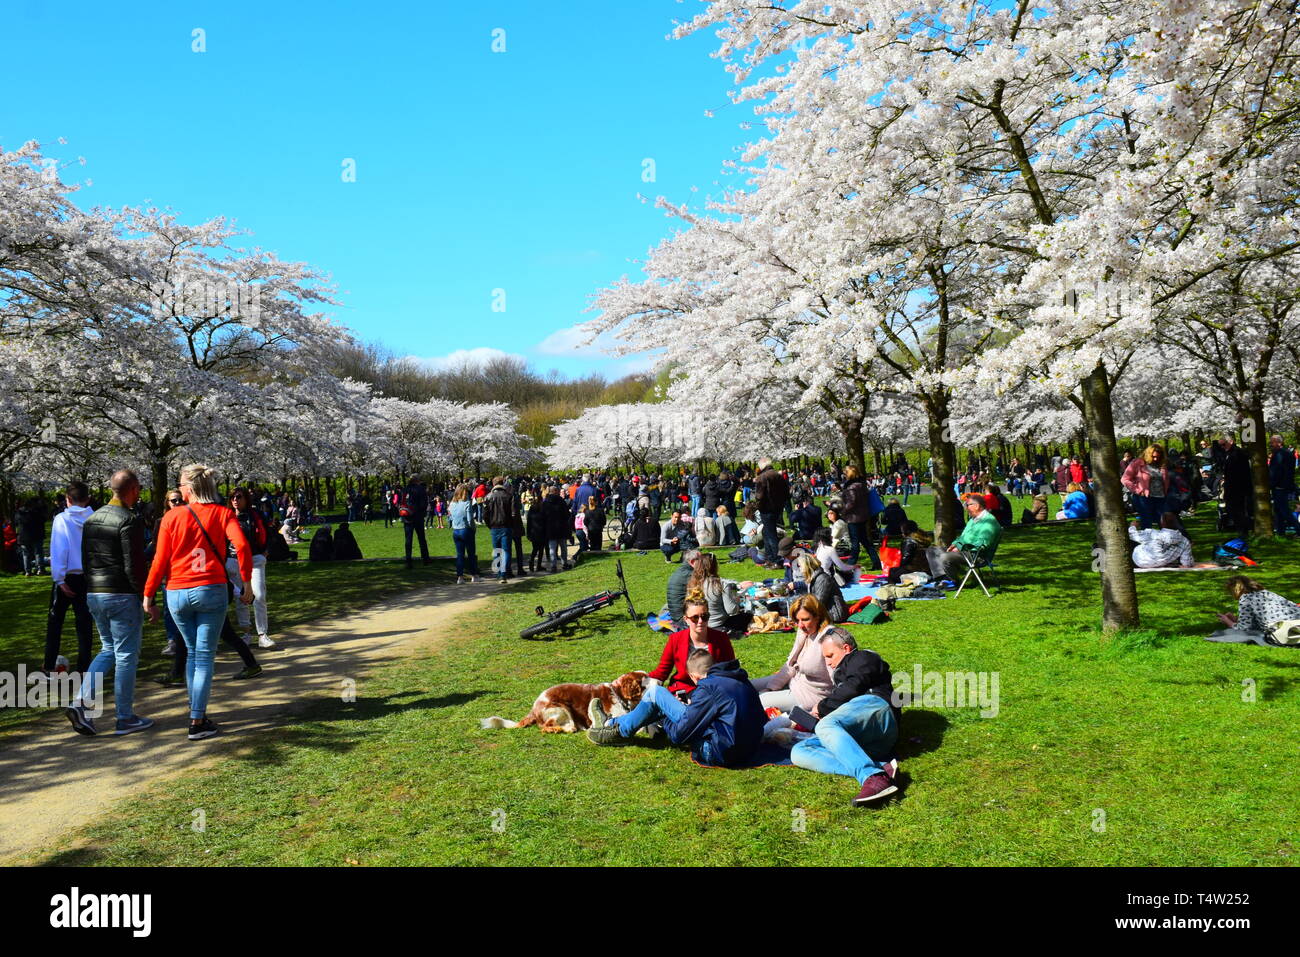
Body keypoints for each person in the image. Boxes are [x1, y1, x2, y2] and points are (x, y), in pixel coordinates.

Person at [143, 463, 254, 741]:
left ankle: (198, 714)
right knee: (203, 656)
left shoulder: (171, 517)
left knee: (193, 652)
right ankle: (197, 719)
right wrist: (247, 584)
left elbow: (160, 559)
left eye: (181, 485)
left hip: (177, 591)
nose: (179, 490)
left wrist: (148, 594)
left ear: (190, 489)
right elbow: (241, 546)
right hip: (210, 588)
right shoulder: (223, 513)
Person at [64, 469, 153, 737]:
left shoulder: (92, 518)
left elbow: (85, 558)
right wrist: (145, 596)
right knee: (126, 656)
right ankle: (124, 717)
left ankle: (80, 702)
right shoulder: (130, 519)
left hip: (95, 593)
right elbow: (133, 564)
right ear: (134, 489)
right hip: (121, 593)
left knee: (108, 650)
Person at [587, 648, 766, 767]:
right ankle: (615, 725)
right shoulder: (738, 679)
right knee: (662, 701)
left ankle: (615, 728)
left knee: (656, 693)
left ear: (694, 677)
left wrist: (665, 716)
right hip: (750, 750)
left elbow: (681, 734)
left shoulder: (709, 687)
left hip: (720, 753)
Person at [790, 629, 900, 806]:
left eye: (830, 655)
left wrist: (822, 707)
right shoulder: (842, 675)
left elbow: (854, 686)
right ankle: (879, 767)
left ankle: (873, 777)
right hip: (867, 742)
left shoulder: (864, 657)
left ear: (846, 648)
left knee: (825, 726)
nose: (829, 663)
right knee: (799, 752)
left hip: (877, 709)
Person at [43, 482, 95, 679]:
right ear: (87, 499)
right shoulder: (94, 518)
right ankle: (83, 667)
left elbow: (59, 549)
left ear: (67, 499)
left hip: (67, 576)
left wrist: (59, 579)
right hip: (87, 577)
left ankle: (49, 666)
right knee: (84, 623)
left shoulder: (62, 519)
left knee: (55, 622)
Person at [750, 594, 837, 711]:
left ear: (818, 616)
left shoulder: (829, 638)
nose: (800, 625)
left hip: (811, 695)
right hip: (794, 681)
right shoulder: (804, 632)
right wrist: (771, 688)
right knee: (745, 686)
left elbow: (838, 677)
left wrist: (827, 707)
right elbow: (790, 665)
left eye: (805, 619)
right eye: (797, 620)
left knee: (753, 700)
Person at [647, 593, 736, 696]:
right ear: (686, 619)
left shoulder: (721, 638)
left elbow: (731, 670)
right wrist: (638, 677)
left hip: (714, 692)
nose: (700, 621)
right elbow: (662, 672)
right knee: (652, 699)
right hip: (684, 691)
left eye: (705, 616)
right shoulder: (675, 639)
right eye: (695, 618)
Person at [228, 487, 274, 649]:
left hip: (255, 558)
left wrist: (265, 551)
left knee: (259, 594)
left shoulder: (255, 515)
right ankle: (246, 632)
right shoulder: (227, 516)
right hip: (234, 560)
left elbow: (268, 532)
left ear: (246, 499)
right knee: (242, 598)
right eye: (232, 497)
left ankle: (262, 634)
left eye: (239, 497)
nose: (235, 500)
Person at [926, 494, 1002, 582]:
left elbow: (982, 544)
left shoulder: (989, 522)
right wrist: (955, 544)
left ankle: (952, 582)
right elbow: (962, 537)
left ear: (976, 506)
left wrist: (960, 548)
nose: (966, 508)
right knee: (932, 550)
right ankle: (942, 578)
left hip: (977, 555)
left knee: (944, 557)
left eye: (967, 505)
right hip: (965, 551)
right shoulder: (973, 520)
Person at [1210, 575, 1300, 646]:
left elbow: (1243, 628)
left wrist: (1227, 621)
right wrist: (1236, 619)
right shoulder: (1267, 593)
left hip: (1281, 628)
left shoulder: (1246, 598)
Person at [688, 552, 751, 634]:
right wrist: (736, 600)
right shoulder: (721, 584)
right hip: (718, 625)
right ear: (714, 566)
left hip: (698, 624)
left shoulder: (693, 583)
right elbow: (731, 610)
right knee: (747, 616)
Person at [841, 466, 881, 571]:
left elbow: (851, 503)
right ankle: (876, 562)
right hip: (863, 517)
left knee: (855, 544)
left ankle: (849, 565)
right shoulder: (862, 485)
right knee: (866, 542)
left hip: (854, 518)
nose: (844, 475)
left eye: (845, 473)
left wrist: (842, 511)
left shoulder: (851, 487)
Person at [752, 456, 791, 567]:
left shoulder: (762, 477)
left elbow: (759, 496)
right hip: (777, 508)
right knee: (766, 532)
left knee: (771, 534)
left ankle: (776, 560)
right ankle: (769, 558)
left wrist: (758, 507)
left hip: (766, 509)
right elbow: (787, 493)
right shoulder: (778, 476)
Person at [1121, 444, 1170, 530]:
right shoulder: (1138, 463)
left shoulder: (1162, 464)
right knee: (1147, 523)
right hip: (1144, 498)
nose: (1155, 459)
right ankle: (1147, 541)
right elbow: (1125, 479)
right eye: (1153, 457)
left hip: (1161, 497)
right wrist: (1137, 490)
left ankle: (1164, 541)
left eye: (1158, 457)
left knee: (1163, 522)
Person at [792, 554, 848, 623]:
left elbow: (818, 602)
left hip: (835, 614)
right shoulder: (814, 578)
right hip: (825, 611)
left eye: (799, 566)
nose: (799, 569)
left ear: (806, 566)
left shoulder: (822, 578)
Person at [1128, 512, 1193, 569]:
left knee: (1134, 541)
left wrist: (1132, 526)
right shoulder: (1185, 541)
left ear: (1162, 523)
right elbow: (1186, 563)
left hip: (1140, 561)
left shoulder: (1153, 533)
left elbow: (1132, 535)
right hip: (1161, 562)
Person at [448, 484, 483, 584]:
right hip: (466, 529)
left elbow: (450, 518)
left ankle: (460, 577)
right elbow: (470, 519)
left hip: (456, 531)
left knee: (460, 555)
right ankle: (474, 575)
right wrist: (473, 528)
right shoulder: (467, 503)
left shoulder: (452, 504)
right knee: (471, 554)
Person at [483, 477, 516, 583]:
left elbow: (485, 515)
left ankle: (499, 572)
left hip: (494, 527)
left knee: (497, 550)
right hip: (506, 526)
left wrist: (490, 525)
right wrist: (511, 524)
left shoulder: (488, 497)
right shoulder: (509, 496)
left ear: (493, 484)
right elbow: (513, 513)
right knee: (506, 551)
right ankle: (503, 574)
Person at [1219, 435, 1253, 535]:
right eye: (1221, 445)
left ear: (1231, 442)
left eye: (1224, 444)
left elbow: (1240, 472)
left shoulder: (1238, 453)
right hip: (1232, 486)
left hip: (1238, 487)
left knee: (1238, 509)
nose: (1222, 447)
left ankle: (1243, 530)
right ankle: (1241, 529)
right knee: (1233, 509)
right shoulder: (1228, 454)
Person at [1268, 434, 1300, 535]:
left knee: (1284, 510)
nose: (1271, 444)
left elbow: (1276, 472)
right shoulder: (1287, 453)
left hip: (1280, 486)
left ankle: (1298, 529)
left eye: (1272, 442)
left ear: (1279, 443)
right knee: (1278, 510)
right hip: (1284, 484)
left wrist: (1271, 484)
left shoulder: (1279, 454)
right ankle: (1280, 531)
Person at [660, 549, 698, 631]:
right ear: (692, 561)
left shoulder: (680, 570)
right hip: (680, 618)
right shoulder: (690, 575)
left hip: (674, 612)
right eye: (701, 560)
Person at [402, 476, 432, 569]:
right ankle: (425, 558)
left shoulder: (405, 489)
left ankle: (408, 560)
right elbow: (424, 503)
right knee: (421, 538)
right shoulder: (420, 489)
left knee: (408, 539)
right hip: (417, 517)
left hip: (407, 517)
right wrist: (422, 513)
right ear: (417, 481)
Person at [540, 485, 572, 572]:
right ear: (556, 491)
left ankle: (553, 565)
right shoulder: (561, 501)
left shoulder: (545, 502)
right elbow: (567, 515)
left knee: (552, 548)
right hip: (561, 527)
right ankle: (564, 563)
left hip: (550, 528)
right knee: (563, 547)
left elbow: (542, 516)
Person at [15, 496, 47, 576]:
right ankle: (40, 569)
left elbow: (16, 522)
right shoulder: (36, 511)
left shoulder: (20, 512)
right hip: (36, 535)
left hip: (23, 536)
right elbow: (43, 520)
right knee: (38, 552)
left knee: (26, 554)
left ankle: (27, 571)